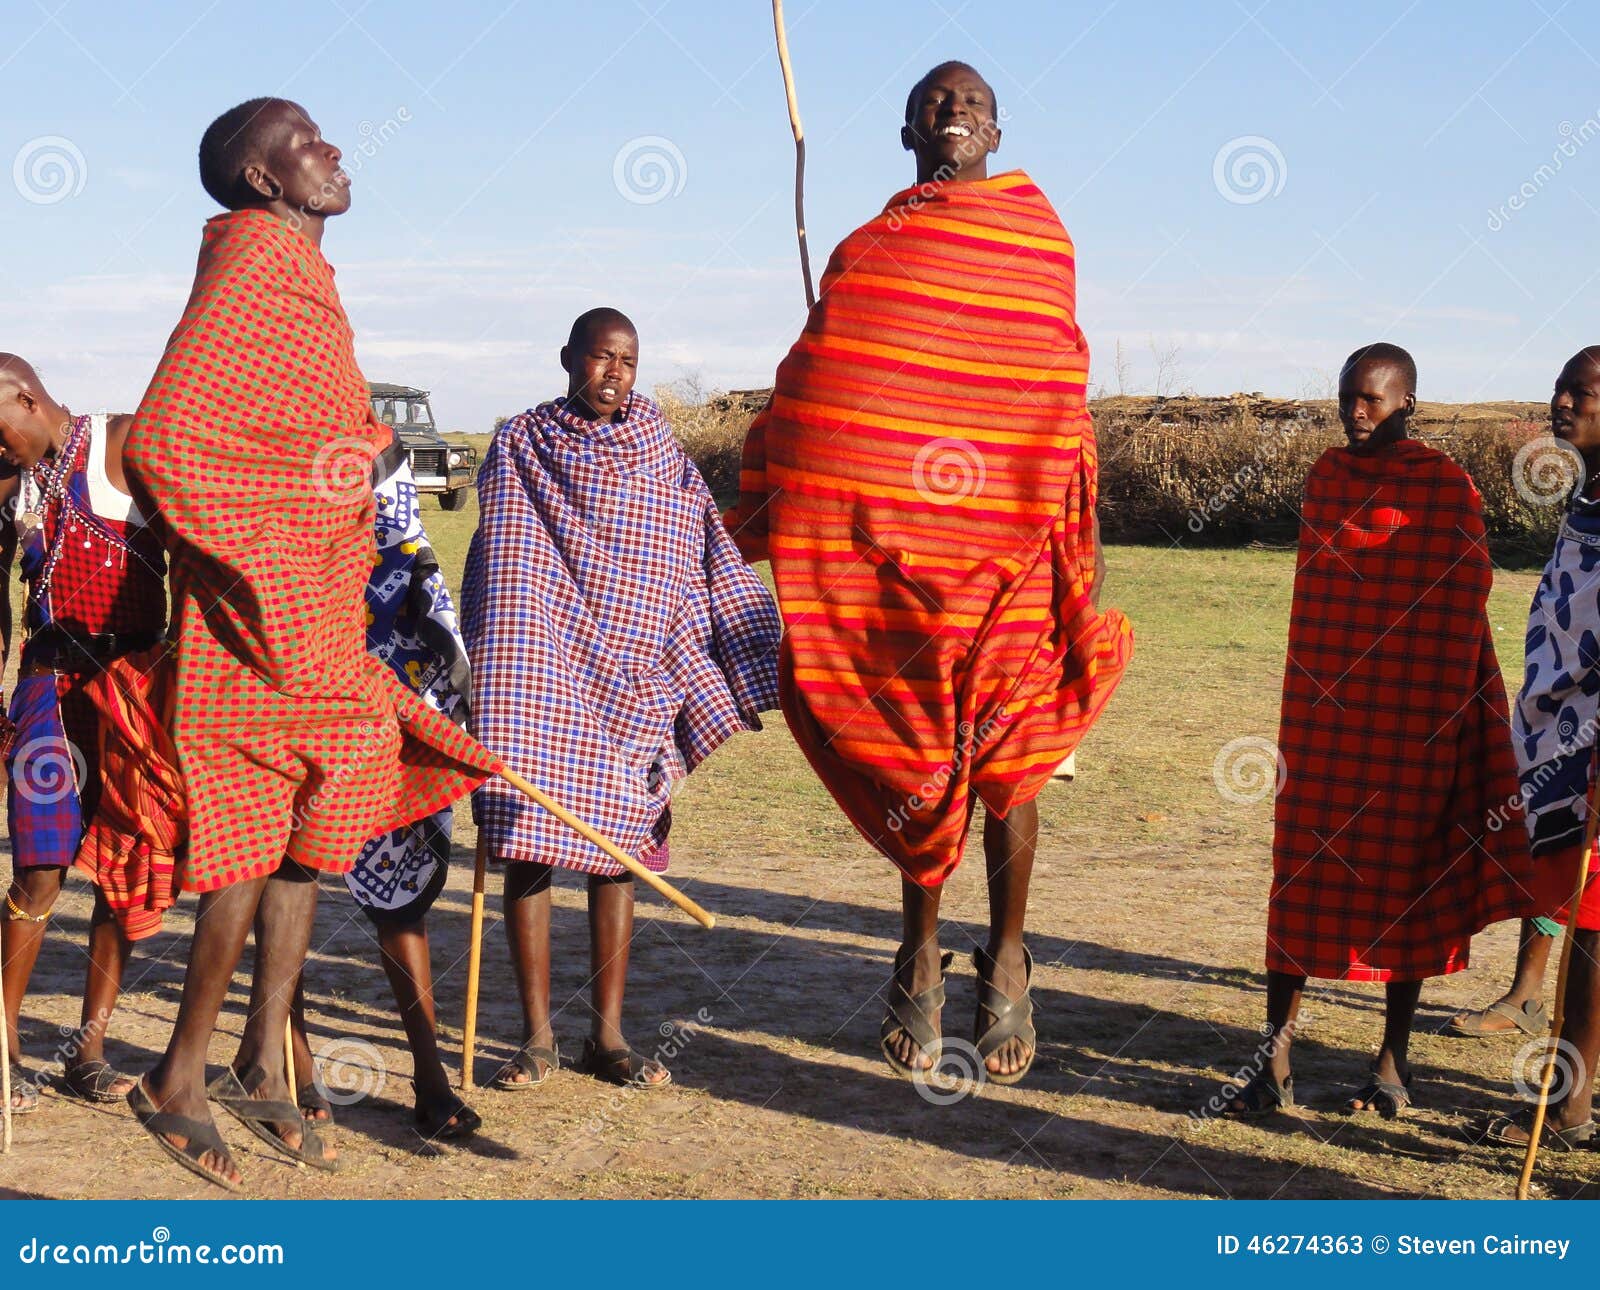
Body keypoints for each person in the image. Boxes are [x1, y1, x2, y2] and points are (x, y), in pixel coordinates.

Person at [723, 62, 1131, 1084]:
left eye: (973, 105)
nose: (956, 115)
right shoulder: (871, 247)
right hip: (897, 559)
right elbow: (827, 379)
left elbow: (1047, 382)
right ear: (909, 134)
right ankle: (918, 949)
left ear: (998, 127)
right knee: (918, 758)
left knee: (1011, 761)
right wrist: (802, 424)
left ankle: (1005, 956)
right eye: (937, 107)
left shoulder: (1036, 239)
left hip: (1007, 550)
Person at [122, 97, 498, 1191]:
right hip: (259, 626)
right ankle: (175, 1075)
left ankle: (258, 1058)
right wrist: (266, 580)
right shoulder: (248, 271)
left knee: (324, 813)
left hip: (324, 618)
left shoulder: (302, 280)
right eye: (305, 143)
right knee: (246, 838)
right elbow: (168, 444)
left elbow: (311, 450)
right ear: (260, 177)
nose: (333, 151)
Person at [462, 308, 779, 1090]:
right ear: (567, 356)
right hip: (543, 669)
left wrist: (716, 639)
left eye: (628, 362)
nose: (613, 372)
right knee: (530, 836)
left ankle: (606, 1039)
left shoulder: (661, 452)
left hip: (635, 672)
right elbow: (503, 552)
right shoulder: (523, 442)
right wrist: (508, 652)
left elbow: (688, 546)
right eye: (600, 356)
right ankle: (536, 1039)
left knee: (618, 853)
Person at [1221, 343, 1539, 1119]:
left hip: (1413, 721)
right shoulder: (1327, 478)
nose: (1355, 413)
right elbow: (1320, 603)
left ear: (1408, 405)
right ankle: (1274, 1060)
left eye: (1371, 400)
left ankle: (1392, 1064)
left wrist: (1443, 722)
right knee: (1297, 878)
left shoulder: (1445, 488)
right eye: (1346, 398)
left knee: (1405, 883)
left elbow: (1462, 606)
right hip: (1324, 719)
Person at [288, 435, 480, 1140]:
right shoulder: (258, 446)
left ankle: (428, 1077)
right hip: (284, 690)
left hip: (382, 688)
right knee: (286, 886)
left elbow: (412, 561)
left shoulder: (377, 449)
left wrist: (433, 668)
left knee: (400, 892)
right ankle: (294, 1061)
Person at [0, 356, 167, 1114]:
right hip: (45, 683)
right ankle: (2, 1043)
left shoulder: (125, 447)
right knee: (39, 867)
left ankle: (88, 1052)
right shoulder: (11, 478)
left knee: (118, 868)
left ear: (27, 400)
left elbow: (200, 559)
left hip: (127, 691)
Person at [1483, 347, 1600, 1151]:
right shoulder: (1586, 494)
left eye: (1579, 392)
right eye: (1558, 387)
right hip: (1565, 738)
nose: (1559, 402)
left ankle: (1572, 1106)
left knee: (1593, 925)